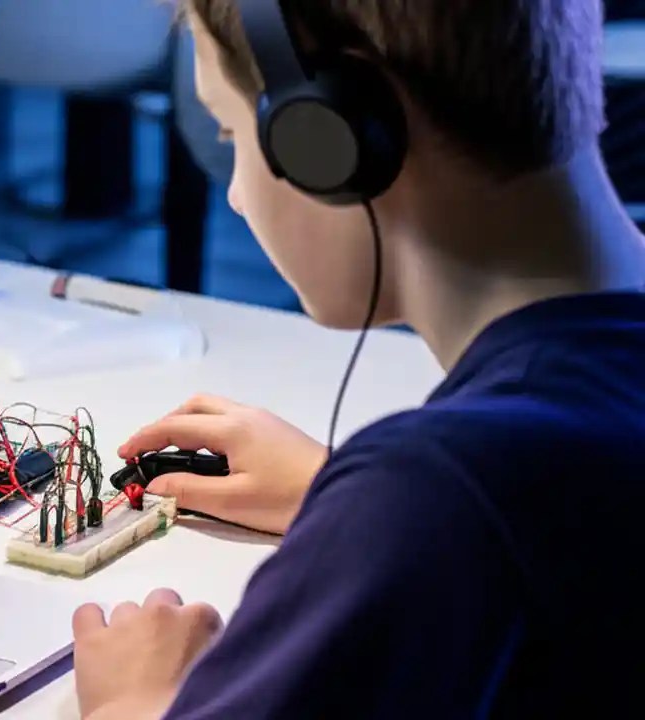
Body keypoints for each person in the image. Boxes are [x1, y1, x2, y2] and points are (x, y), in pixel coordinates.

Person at [71, 0, 645, 718]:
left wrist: (131, 699)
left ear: (328, 135)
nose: (238, 197)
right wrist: (340, 495)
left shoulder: (441, 495)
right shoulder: (493, 484)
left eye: (233, 133)